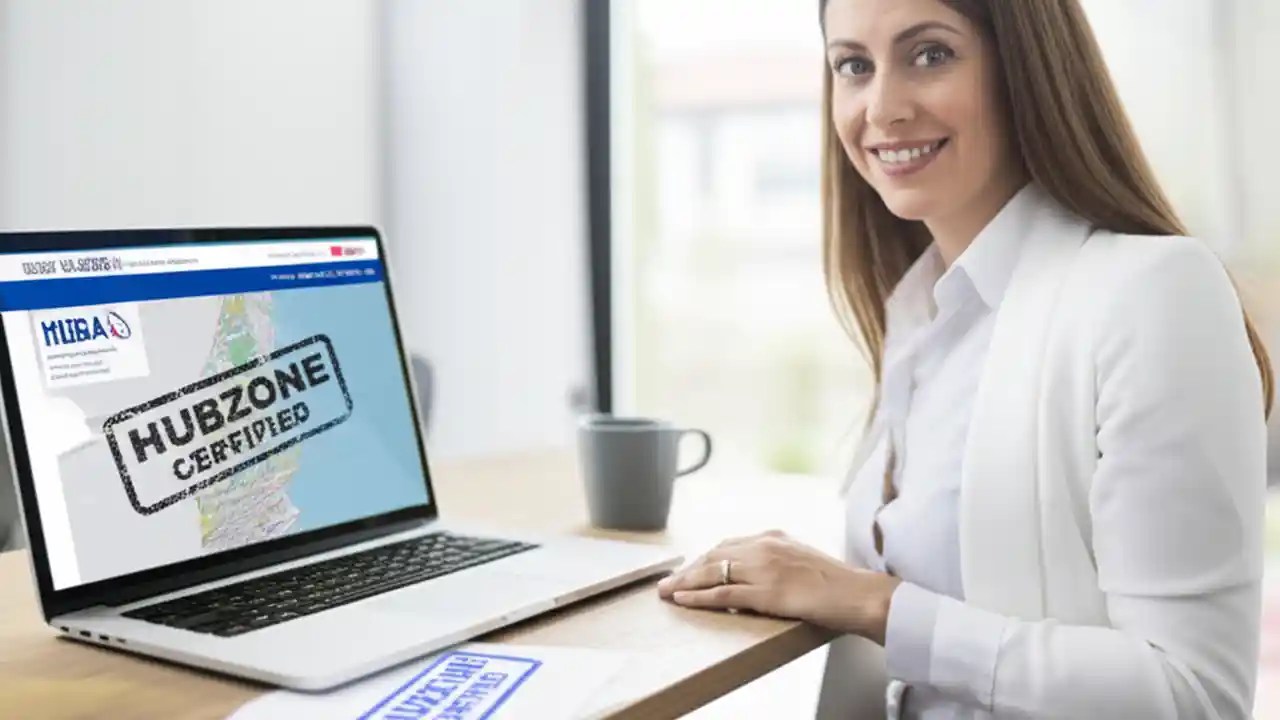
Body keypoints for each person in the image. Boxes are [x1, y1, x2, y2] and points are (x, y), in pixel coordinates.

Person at [656, 0, 1274, 717]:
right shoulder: (920, 313)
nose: (882, 108)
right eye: (853, 66)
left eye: (930, 54)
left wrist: (873, 603)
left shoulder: (1152, 294)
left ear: (1027, 68)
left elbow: (1193, 695)